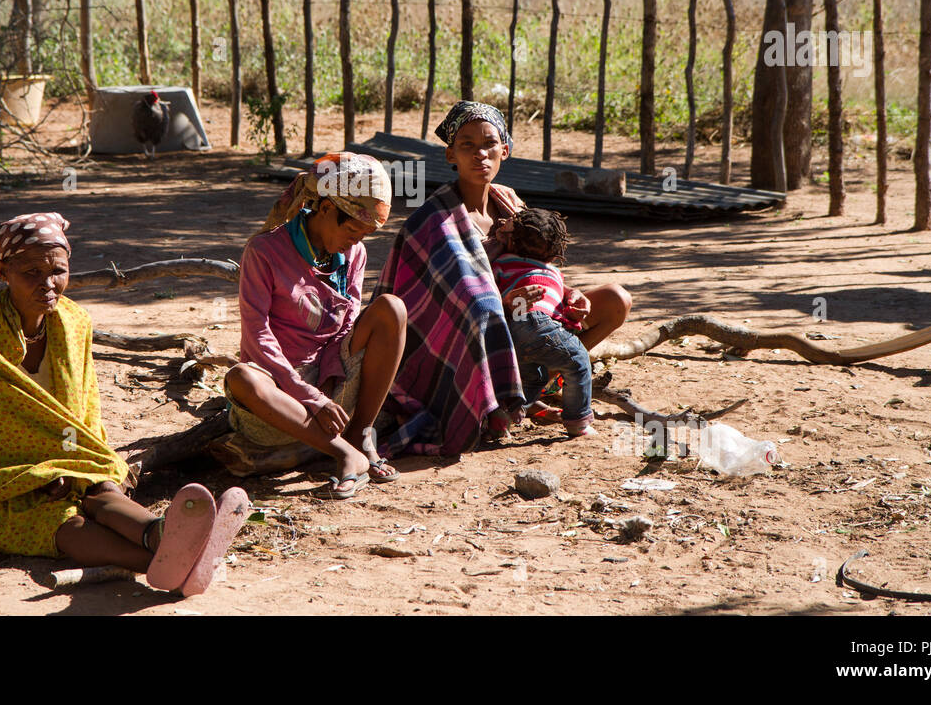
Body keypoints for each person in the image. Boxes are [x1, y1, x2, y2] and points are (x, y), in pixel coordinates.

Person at [0, 213, 247, 596]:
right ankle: (163, 565)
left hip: (66, 456)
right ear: (2, 271)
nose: (48, 284)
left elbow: (84, 414)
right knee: (58, 520)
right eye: (30, 273)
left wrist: (69, 464)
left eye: (57, 271)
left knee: (99, 487)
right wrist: (40, 474)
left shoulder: (75, 322)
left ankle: (160, 534)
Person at [374, 100, 631, 455]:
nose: (480, 154)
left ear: (505, 150)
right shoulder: (436, 220)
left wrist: (566, 292)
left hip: (529, 314)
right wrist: (508, 300)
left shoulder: (509, 201)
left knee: (616, 300)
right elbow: (459, 302)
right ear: (451, 155)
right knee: (485, 309)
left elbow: (535, 263)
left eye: (489, 143)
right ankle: (506, 395)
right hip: (476, 332)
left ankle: (538, 383)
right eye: (467, 145)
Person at [221, 153, 407, 500]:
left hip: (332, 390)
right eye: (352, 229)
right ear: (324, 209)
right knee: (241, 377)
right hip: (278, 402)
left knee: (391, 309)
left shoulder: (354, 253)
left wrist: (329, 386)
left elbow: (348, 324)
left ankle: (360, 435)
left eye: (364, 234)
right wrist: (311, 397)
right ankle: (344, 453)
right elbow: (257, 336)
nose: (356, 242)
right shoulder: (264, 251)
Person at [492, 207, 595, 436]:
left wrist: (573, 296)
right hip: (537, 322)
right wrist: (572, 308)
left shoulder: (501, 262)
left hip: (511, 329)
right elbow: (554, 299)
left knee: (534, 376)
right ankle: (578, 420)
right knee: (578, 359)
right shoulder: (553, 271)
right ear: (554, 252)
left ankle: (505, 417)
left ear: (512, 242)